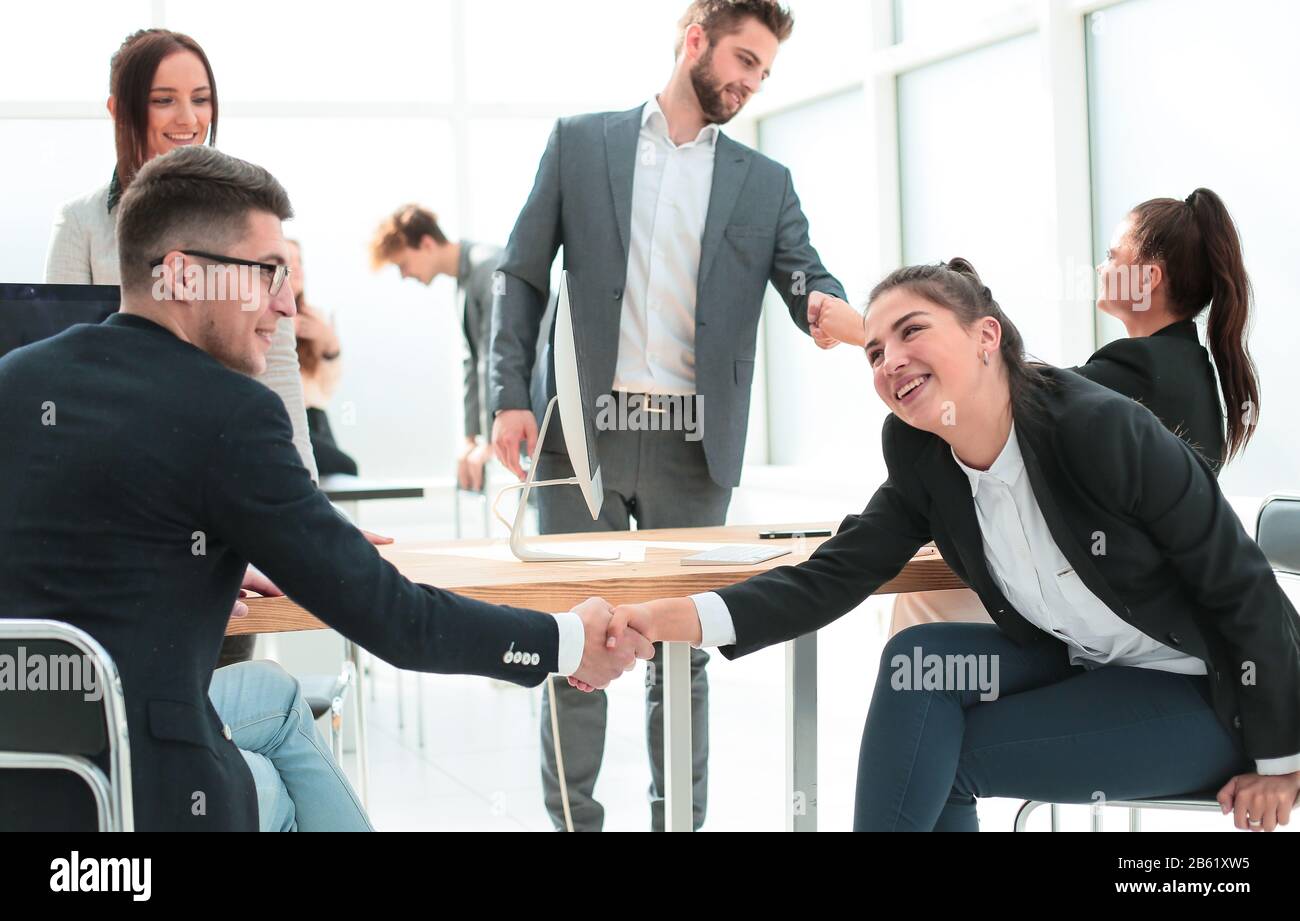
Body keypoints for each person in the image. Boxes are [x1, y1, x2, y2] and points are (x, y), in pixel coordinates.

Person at [0, 145, 652, 831]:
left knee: (276, 697)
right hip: (146, 800)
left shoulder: (16, 379)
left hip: (26, 775)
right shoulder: (227, 412)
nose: (288, 305)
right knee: (278, 790)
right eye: (267, 273)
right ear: (185, 275)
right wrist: (565, 641)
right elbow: (391, 617)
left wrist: (196, 562)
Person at [606, 258, 1300, 832]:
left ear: (985, 337)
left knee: (939, 755)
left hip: (1207, 692)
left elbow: (1240, 582)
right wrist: (683, 618)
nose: (889, 361)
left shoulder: (1099, 429)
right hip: (1089, 663)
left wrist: (1283, 764)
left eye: (912, 332)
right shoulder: (922, 454)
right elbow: (834, 575)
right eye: (874, 350)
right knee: (918, 660)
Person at [489, 0, 852, 833]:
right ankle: (575, 824)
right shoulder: (582, 143)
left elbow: (807, 280)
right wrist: (510, 395)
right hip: (582, 433)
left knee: (684, 650)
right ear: (696, 41)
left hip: (695, 444)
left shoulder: (765, 183)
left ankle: (676, 826)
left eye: (764, 70)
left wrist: (849, 314)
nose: (754, 83)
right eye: (747, 62)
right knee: (572, 641)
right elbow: (520, 273)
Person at [809, 188, 1262, 635]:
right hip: (1132, 594)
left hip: (1119, 613)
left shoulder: (1138, 372)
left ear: (1148, 280)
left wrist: (866, 332)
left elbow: (1009, 397)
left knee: (927, 607)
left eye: (1112, 255)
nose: (1100, 268)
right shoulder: (1183, 367)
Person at [43, 28, 316, 482]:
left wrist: (310, 507)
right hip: (123, 471)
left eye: (202, 98)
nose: (189, 118)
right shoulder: (81, 223)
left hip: (227, 462)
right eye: (164, 100)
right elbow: (63, 371)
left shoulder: (252, 217)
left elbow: (280, 370)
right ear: (119, 110)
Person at [370, 206, 500, 492]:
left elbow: (495, 355)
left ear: (426, 244)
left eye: (403, 264)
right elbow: (472, 361)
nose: (404, 276)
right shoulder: (466, 281)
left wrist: (490, 440)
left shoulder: (488, 268)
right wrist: (470, 438)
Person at [289, 239, 358, 476]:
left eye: (300, 261)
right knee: (345, 468)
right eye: (288, 261)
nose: (297, 268)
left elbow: (327, 389)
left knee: (342, 476)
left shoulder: (315, 318)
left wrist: (329, 344)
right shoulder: (264, 320)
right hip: (288, 420)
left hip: (317, 420)